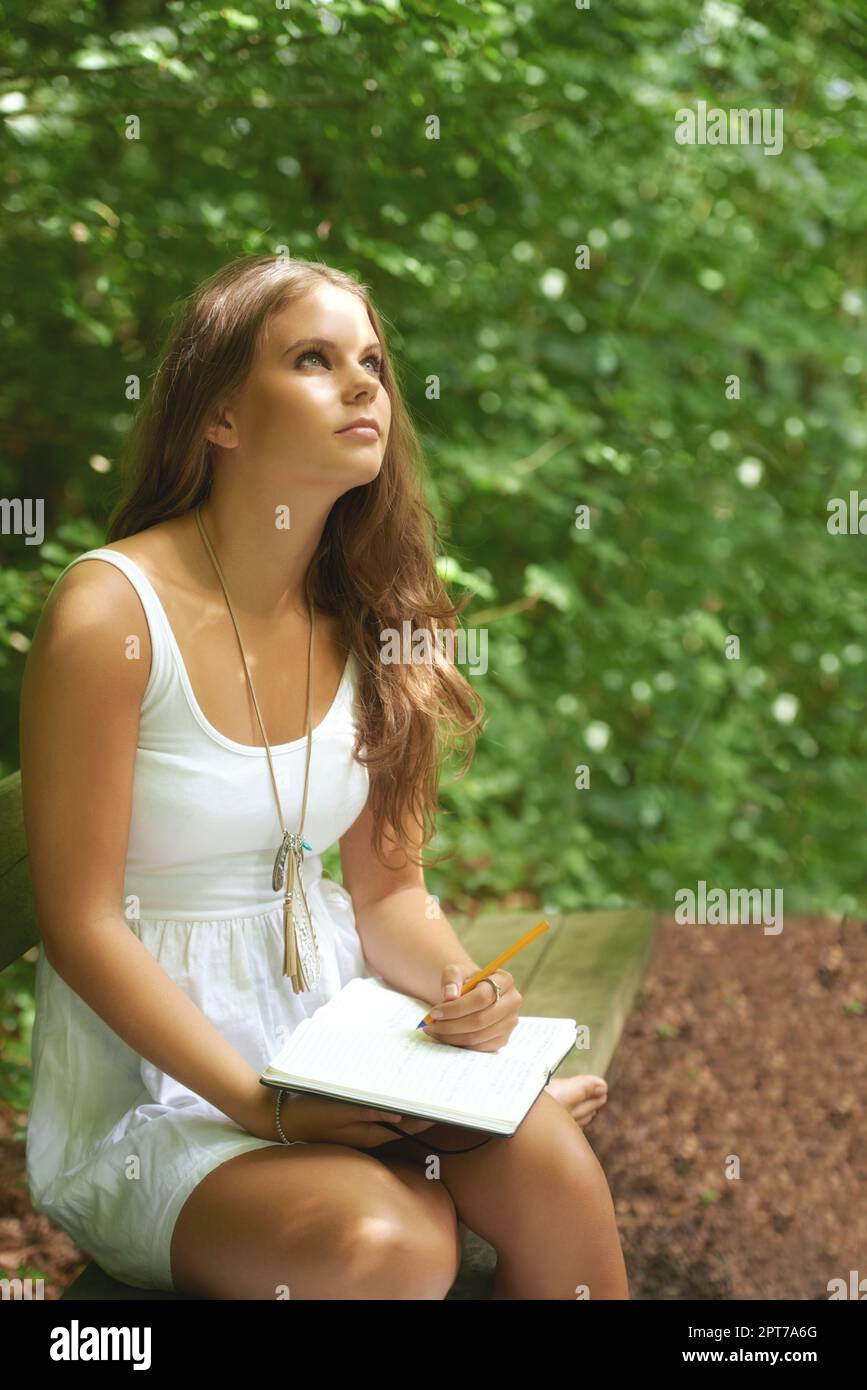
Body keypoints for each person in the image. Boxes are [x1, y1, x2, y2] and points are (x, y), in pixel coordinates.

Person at [20, 253, 626, 1300]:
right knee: (396, 1238)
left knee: (549, 1168)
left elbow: (390, 893)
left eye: (374, 364)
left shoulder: (371, 616)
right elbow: (82, 925)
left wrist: (458, 994)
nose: (363, 387)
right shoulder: (111, 615)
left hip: (341, 1060)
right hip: (163, 1105)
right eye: (313, 359)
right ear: (219, 416)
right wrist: (267, 1110)